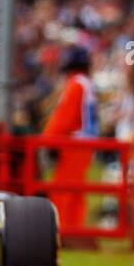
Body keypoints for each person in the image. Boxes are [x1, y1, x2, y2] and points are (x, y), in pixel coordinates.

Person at [42, 45, 99, 236]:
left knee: (65, 190)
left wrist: (47, 140)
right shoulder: (86, 83)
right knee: (75, 190)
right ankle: (74, 229)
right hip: (84, 143)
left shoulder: (76, 84)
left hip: (75, 144)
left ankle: (66, 230)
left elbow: (64, 118)